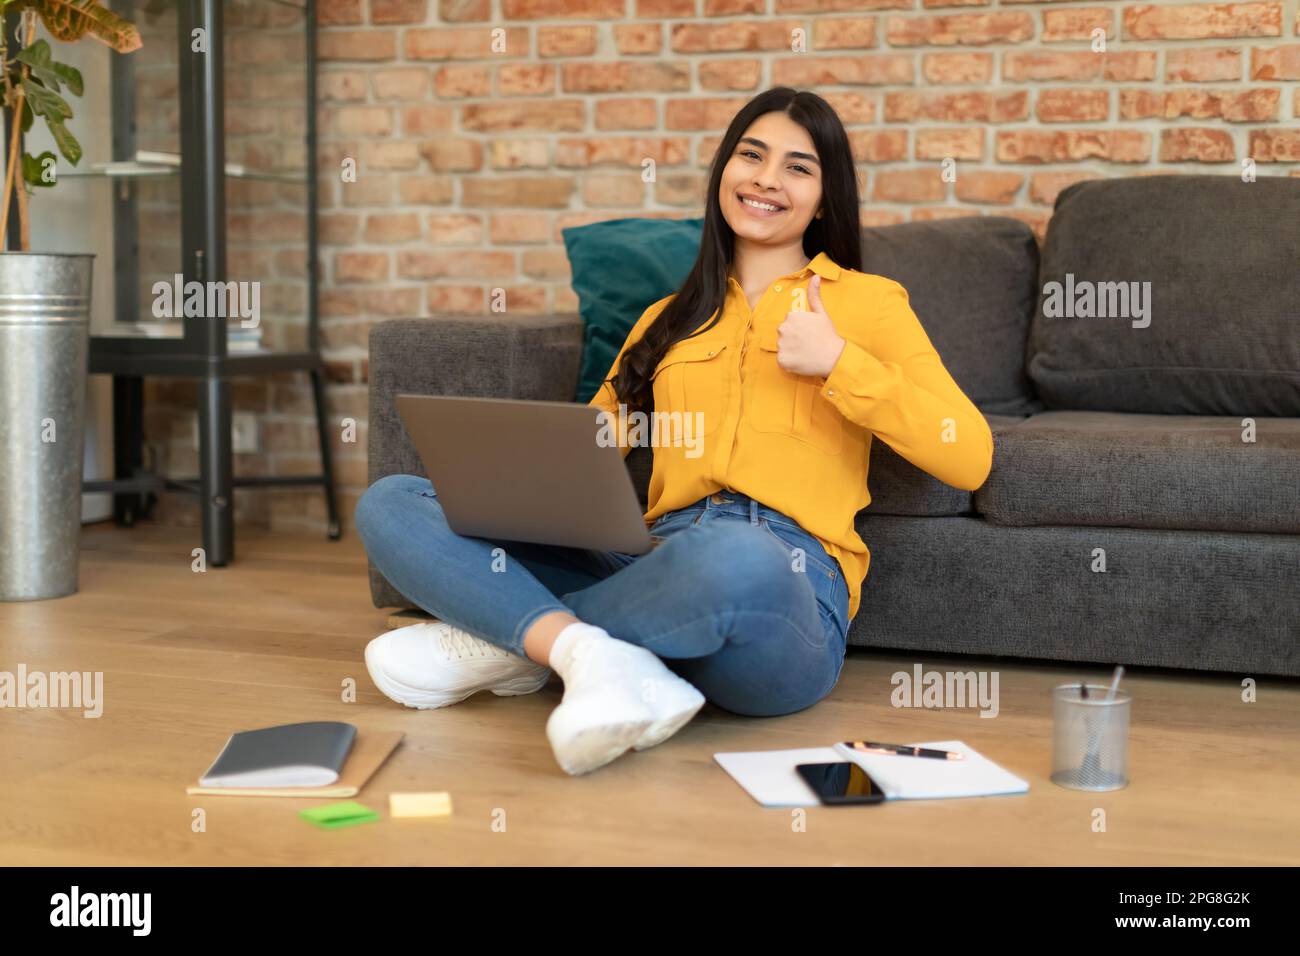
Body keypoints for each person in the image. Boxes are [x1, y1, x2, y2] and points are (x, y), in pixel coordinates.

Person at [354, 87, 993, 776]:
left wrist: (840, 361)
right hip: (654, 560)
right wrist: (515, 476)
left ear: (826, 197)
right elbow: (589, 448)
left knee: (736, 553)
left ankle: (517, 640)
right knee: (392, 501)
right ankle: (584, 653)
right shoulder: (667, 318)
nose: (767, 178)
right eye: (751, 155)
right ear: (724, 170)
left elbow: (970, 455)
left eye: (798, 167)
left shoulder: (867, 304)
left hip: (785, 585)